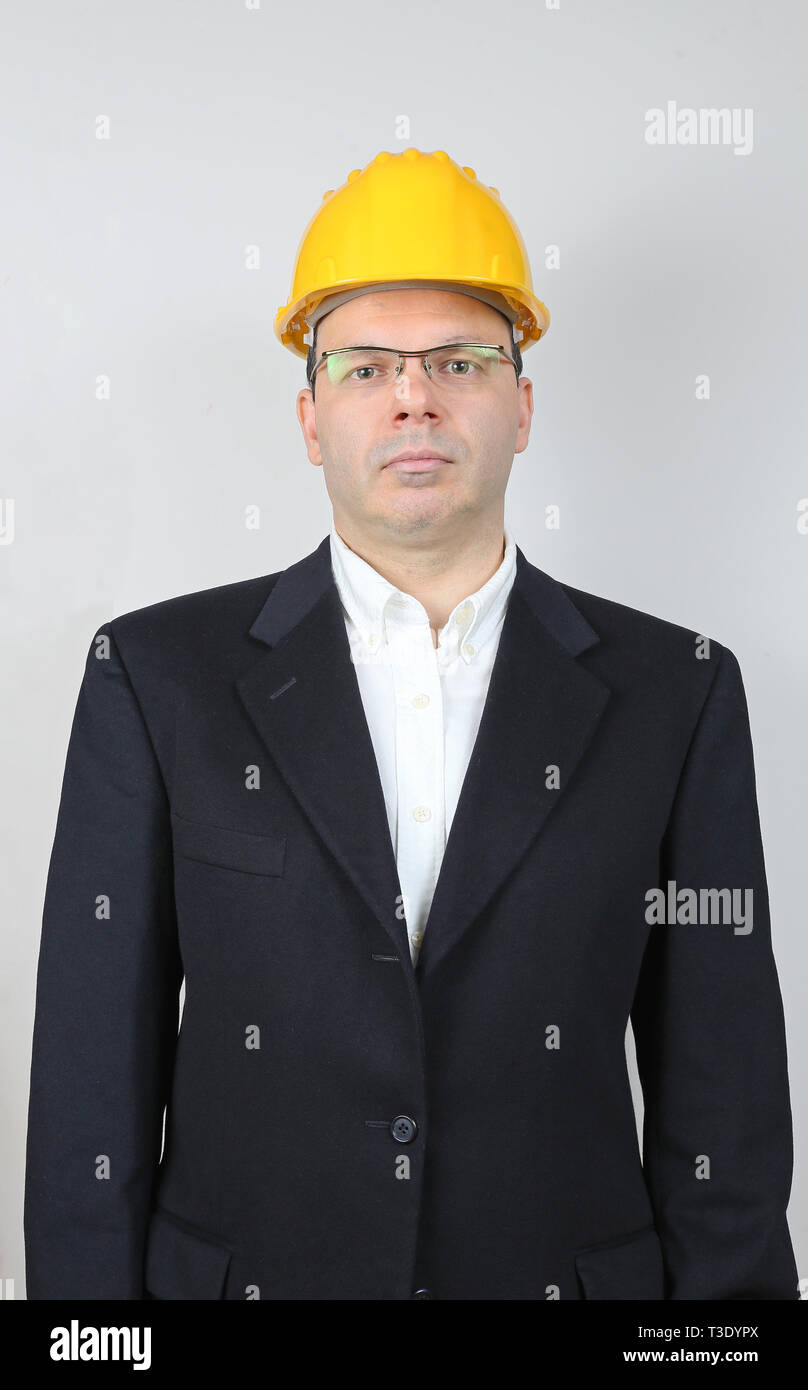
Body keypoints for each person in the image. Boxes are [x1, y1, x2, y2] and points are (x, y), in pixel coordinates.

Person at [24, 149, 798, 1300]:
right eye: (366, 366)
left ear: (522, 405)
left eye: (461, 360)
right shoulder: (156, 678)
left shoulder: (673, 692)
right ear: (310, 415)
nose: (413, 396)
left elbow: (721, 1108)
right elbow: (92, 1084)